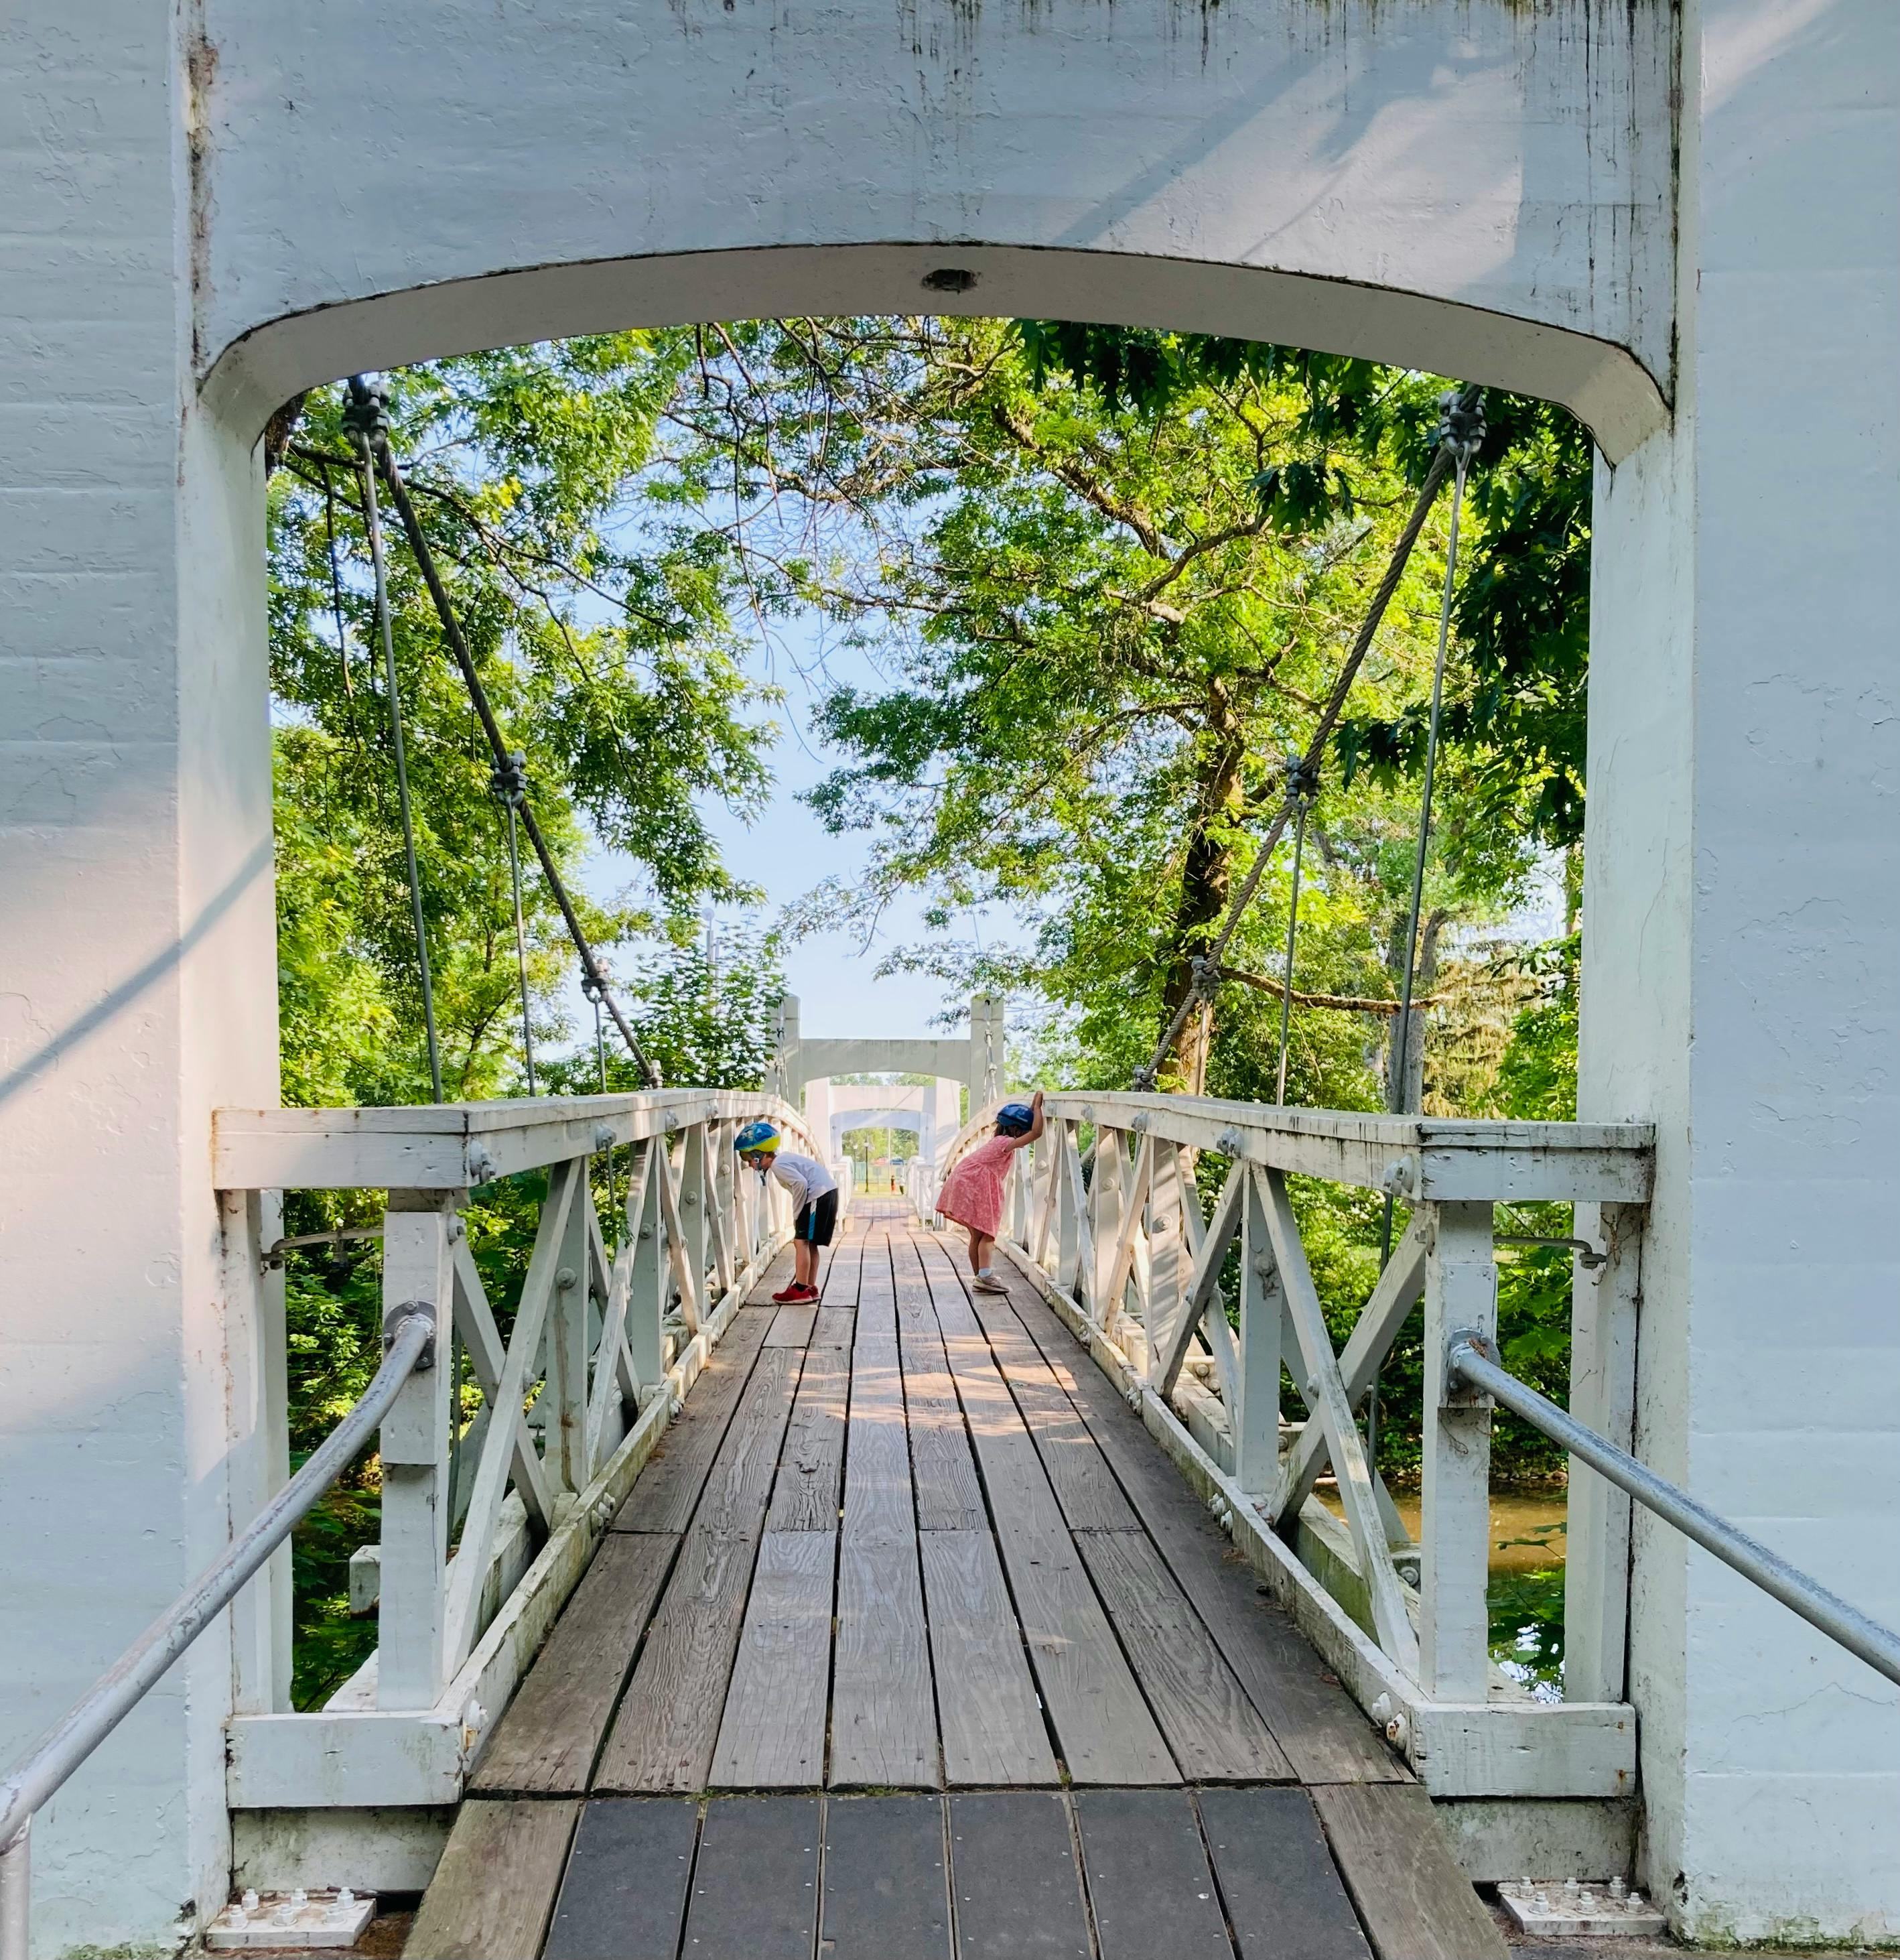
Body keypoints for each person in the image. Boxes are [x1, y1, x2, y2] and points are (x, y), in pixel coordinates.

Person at [936, 1091, 1044, 1293]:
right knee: (988, 1235)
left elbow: (1030, 1129)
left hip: (965, 1180)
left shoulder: (997, 1141)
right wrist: (1038, 1109)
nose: (1026, 1136)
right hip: (977, 1184)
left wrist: (1032, 1108)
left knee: (977, 1236)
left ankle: (981, 1277)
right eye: (1024, 1131)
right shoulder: (1005, 1143)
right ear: (1016, 1130)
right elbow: (1037, 1133)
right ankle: (985, 1277)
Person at [734, 1120, 837, 1303]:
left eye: (750, 1160)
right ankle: (810, 1289)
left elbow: (800, 1184)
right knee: (810, 1244)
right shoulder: (783, 1159)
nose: (750, 1165)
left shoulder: (778, 1166)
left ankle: (801, 1289)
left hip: (817, 1195)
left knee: (800, 1242)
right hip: (827, 1192)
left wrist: (797, 1214)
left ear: (758, 1155)